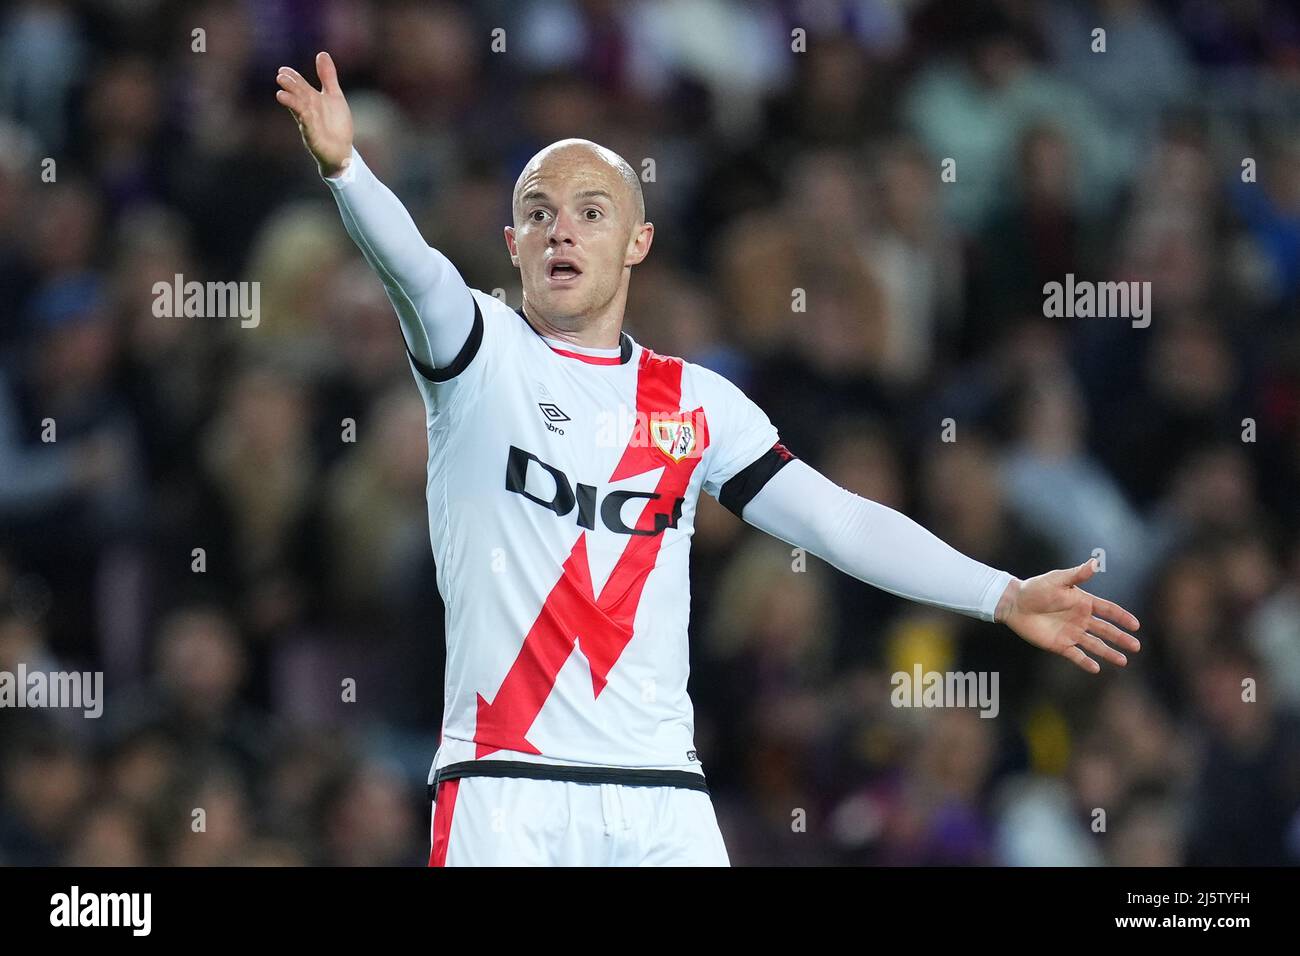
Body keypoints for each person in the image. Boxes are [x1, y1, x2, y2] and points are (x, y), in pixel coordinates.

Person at [274, 52, 1141, 867]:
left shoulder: (696, 402)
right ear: (512, 245)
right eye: (538, 212)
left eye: (590, 211)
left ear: (637, 245)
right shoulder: (479, 354)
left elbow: (834, 518)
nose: (560, 231)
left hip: (663, 797)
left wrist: (1000, 592)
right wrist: (348, 170)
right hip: (506, 789)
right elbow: (414, 270)